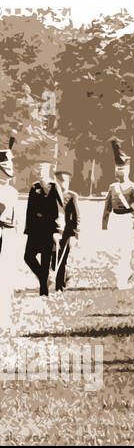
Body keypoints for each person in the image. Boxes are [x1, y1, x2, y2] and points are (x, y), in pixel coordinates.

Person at [101, 139, 134, 290]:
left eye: (122, 169)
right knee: (116, 251)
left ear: (128, 170)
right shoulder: (112, 187)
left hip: (128, 221)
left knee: (125, 251)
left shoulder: (133, 187)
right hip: (115, 220)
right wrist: (104, 226)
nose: (119, 172)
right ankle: (123, 275)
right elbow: (107, 208)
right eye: (117, 169)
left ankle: (123, 280)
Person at [24, 161, 63, 296]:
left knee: (46, 261)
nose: (39, 173)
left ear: (48, 172)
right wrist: (27, 229)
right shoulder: (34, 187)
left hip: (49, 229)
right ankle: (44, 278)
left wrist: (58, 231)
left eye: (42, 170)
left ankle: (43, 292)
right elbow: (29, 210)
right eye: (38, 170)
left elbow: (60, 209)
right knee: (28, 257)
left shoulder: (54, 186)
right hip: (35, 230)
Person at [0, 137, 18, 331]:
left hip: (8, 235)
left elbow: (16, 220)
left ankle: (3, 320)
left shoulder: (12, 192)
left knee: (6, 279)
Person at [53, 170, 79, 292]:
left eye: (66, 181)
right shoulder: (50, 195)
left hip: (67, 234)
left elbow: (77, 217)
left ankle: (59, 286)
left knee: (62, 259)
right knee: (53, 259)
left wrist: (75, 235)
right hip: (52, 232)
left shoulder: (72, 196)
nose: (64, 184)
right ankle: (64, 276)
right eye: (61, 181)